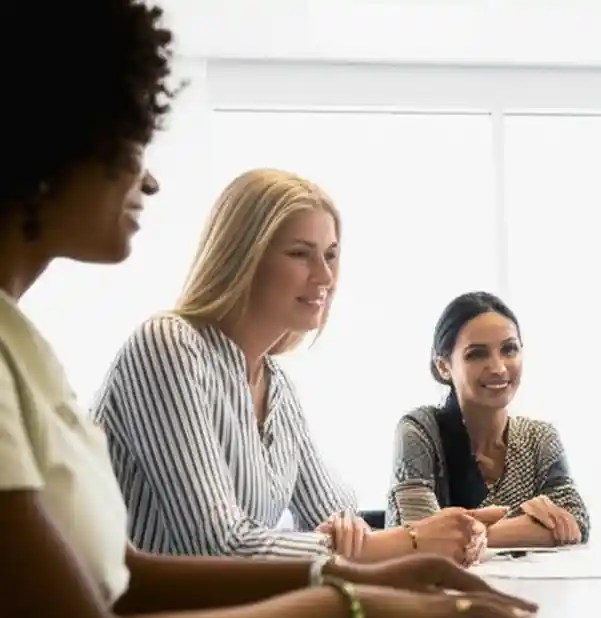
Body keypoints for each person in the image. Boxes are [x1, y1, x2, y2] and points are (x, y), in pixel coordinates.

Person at [0, 4, 535, 618]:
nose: (149, 181)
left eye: (333, 256)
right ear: (48, 138)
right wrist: (348, 600)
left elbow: (125, 576)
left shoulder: (27, 349)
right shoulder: (165, 346)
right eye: (130, 142)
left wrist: (370, 566)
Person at [90, 167, 492, 566]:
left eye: (331, 255)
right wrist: (412, 540)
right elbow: (215, 545)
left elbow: (336, 512)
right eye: (300, 254)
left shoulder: (277, 386)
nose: (325, 276)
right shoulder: (169, 346)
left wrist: (452, 528)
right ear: (243, 257)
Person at [388, 291, 589, 546]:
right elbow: (425, 538)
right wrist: (525, 517)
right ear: (443, 366)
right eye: (477, 354)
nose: (498, 368)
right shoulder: (420, 431)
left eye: (509, 349)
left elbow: (576, 522)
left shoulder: (540, 438)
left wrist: (475, 533)